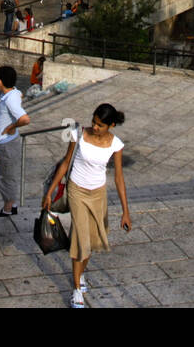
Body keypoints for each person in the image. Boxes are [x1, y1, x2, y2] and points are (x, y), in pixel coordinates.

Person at [43, 104, 131, 308]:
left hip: (98, 193)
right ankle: (76, 291)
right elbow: (65, 162)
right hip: (77, 191)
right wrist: (50, 192)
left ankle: (80, 274)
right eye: (93, 122)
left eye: (100, 125)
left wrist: (126, 212)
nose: (95, 127)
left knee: (90, 240)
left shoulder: (116, 145)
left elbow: (119, 178)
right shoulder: (79, 134)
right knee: (80, 238)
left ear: (111, 125)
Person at [0, 65, 29, 217]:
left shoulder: (10, 100)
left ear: (0, 82)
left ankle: (8, 207)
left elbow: (25, 119)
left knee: (3, 176)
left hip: (6, 143)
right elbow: (19, 94)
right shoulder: (13, 93)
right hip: (5, 142)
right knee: (6, 173)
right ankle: (11, 204)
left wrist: (10, 127)